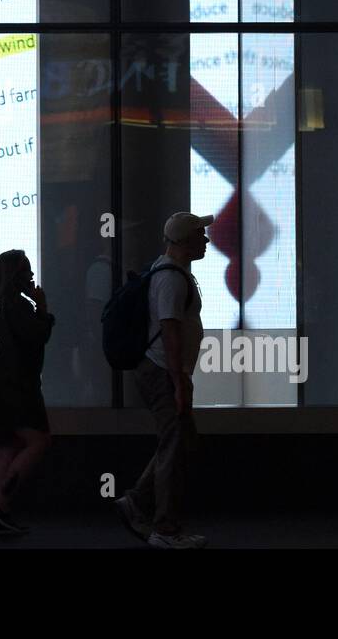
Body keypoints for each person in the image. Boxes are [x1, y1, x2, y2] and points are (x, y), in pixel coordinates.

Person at [118, 212, 210, 549]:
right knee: (175, 447)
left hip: (162, 371)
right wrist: (179, 380)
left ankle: (137, 502)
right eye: (201, 235)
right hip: (163, 372)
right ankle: (164, 529)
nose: (206, 241)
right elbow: (170, 330)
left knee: (179, 442)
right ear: (185, 240)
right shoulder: (171, 278)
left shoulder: (169, 272)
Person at [0, 249, 54, 535]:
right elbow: (37, 336)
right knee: (39, 441)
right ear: (15, 275)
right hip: (18, 390)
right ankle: (1, 502)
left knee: (7, 446)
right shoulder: (16, 306)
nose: (32, 275)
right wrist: (42, 308)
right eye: (27, 270)